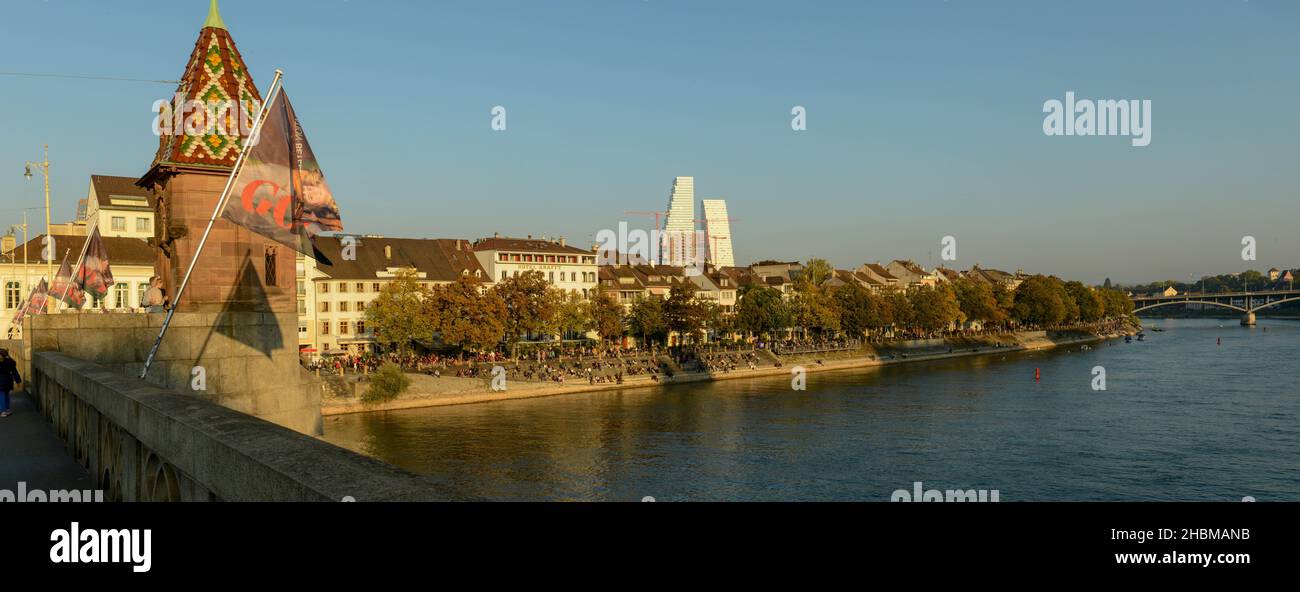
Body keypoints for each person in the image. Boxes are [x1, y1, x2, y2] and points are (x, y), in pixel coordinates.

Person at [1, 348, 21, 418]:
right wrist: (18, 381)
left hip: (1, 381)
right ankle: (7, 409)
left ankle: (3, 411)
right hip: (8, 380)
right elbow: (15, 372)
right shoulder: (10, 362)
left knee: (1, 395)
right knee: (6, 394)